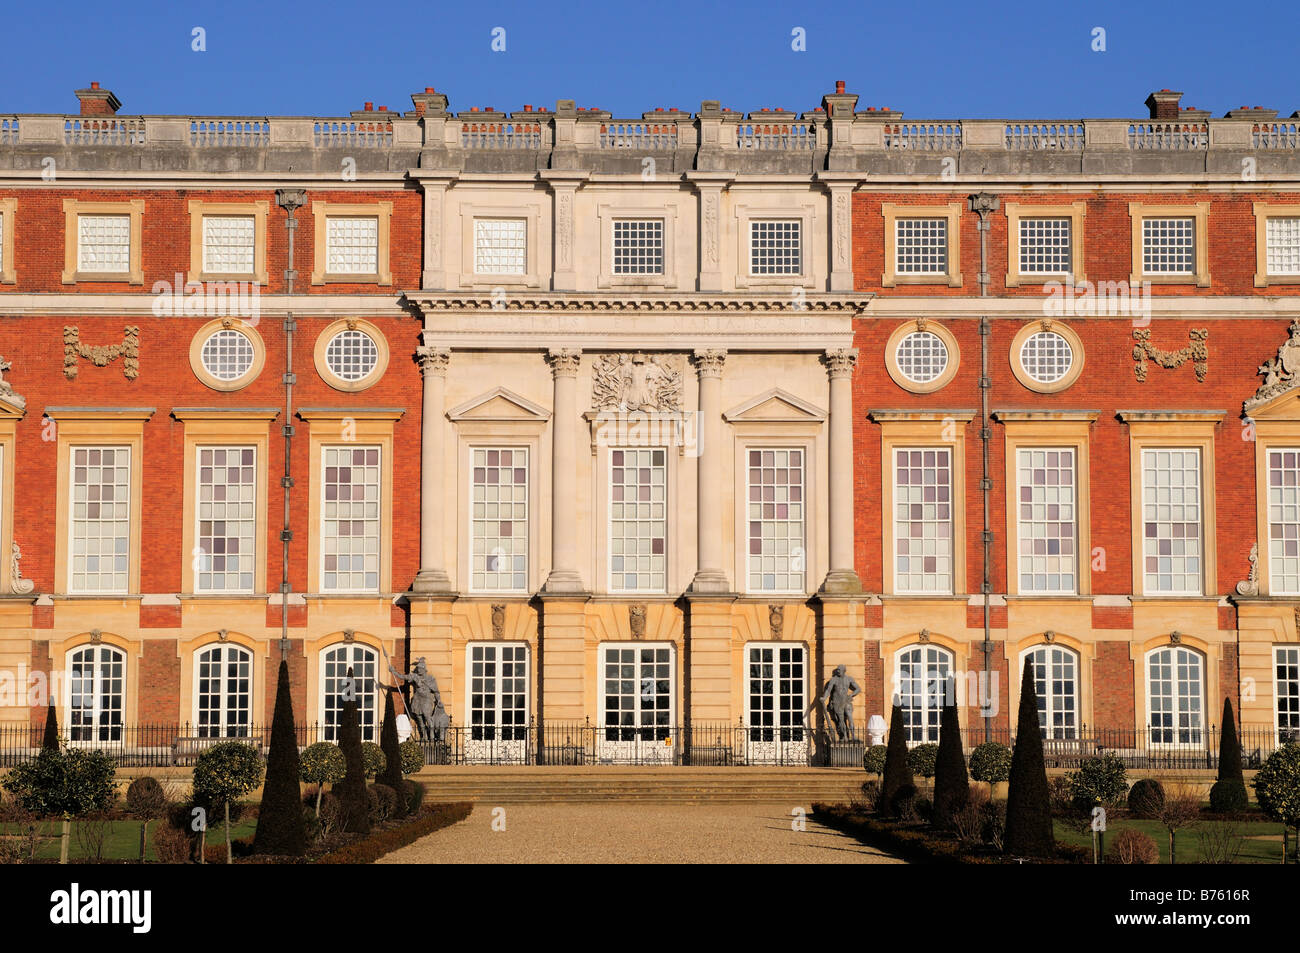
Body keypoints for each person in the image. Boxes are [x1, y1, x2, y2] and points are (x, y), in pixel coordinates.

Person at [821, 664, 861, 742]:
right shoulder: (833, 679)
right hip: (837, 701)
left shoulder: (849, 679)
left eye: (840, 670)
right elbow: (828, 690)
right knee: (841, 720)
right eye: (837, 670)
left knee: (850, 718)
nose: (838, 671)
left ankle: (853, 736)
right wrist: (824, 698)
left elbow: (858, 689)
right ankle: (844, 736)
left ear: (844, 670)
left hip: (846, 700)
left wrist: (851, 695)